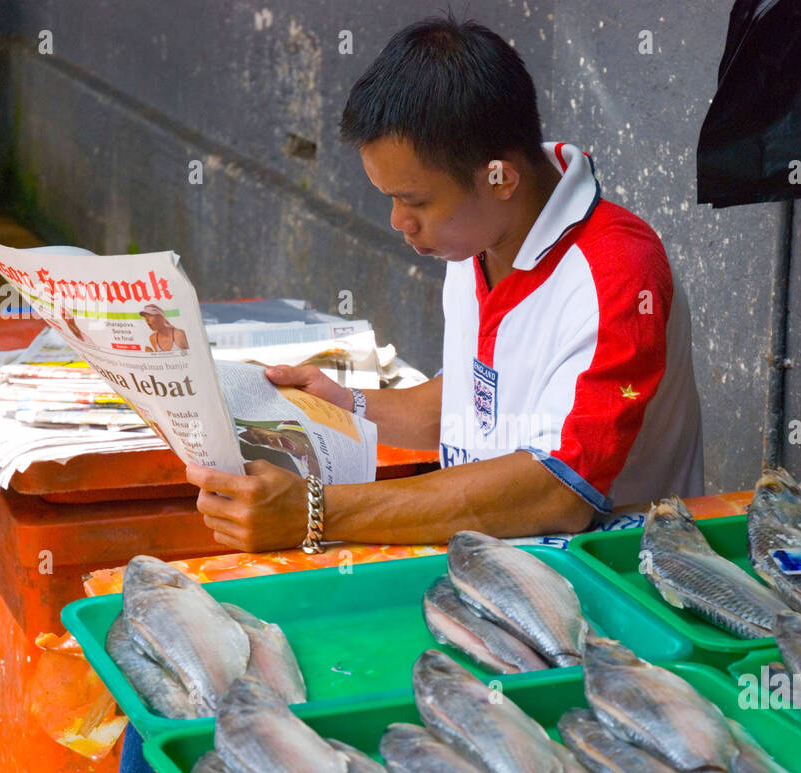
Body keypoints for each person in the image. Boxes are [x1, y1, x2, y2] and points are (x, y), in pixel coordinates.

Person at [185, 14, 702, 549]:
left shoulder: (617, 274)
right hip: (487, 558)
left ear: (500, 177)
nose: (397, 222)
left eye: (415, 201)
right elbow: (475, 405)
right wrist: (344, 405)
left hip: (609, 585)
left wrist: (316, 511)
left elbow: (558, 491)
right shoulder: (477, 238)